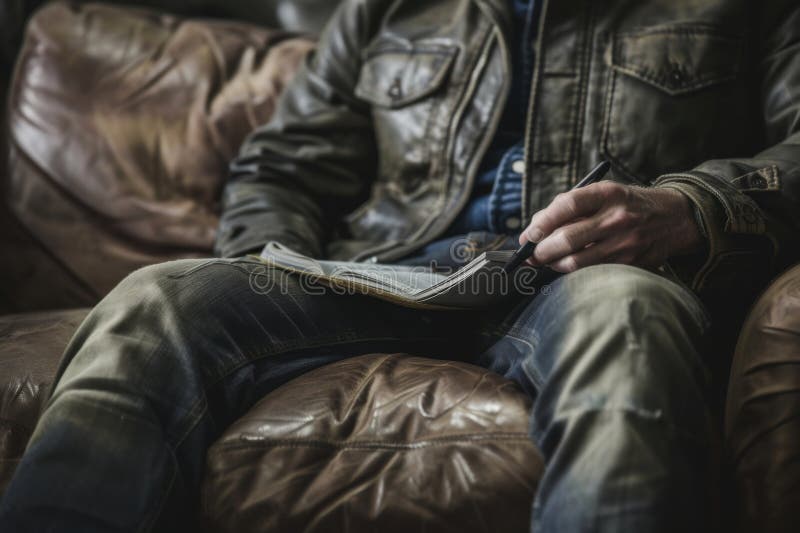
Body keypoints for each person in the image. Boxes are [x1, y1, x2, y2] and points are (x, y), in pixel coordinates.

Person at [1, 0, 798, 531]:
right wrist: (276, 267)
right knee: (155, 297)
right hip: (377, 277)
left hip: (582, 280)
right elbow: (280, 167)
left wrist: (691, 207)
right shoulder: (384, 7)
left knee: (629, 310)